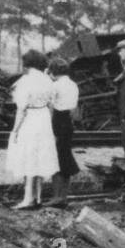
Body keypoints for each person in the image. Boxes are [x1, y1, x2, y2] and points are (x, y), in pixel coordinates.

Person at [6, 50, 59, 209]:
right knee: (40, 157)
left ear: (27, 64)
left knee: (29, 157)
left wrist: (15, 130)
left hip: (30, 119)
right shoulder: (48, 80)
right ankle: (38, 197)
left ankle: (27, 199)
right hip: (44, 119)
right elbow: (51, 106)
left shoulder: (25, 81)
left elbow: (21, 109)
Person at [46, 56, 80, 207]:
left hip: (58, 121)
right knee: (65, 155)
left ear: (53, 71)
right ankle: (63, 196)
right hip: (68, 121)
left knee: (55, 158)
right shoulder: (73, 85)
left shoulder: (55, 86)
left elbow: (51, 107)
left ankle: (57, 196)